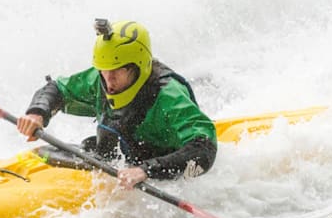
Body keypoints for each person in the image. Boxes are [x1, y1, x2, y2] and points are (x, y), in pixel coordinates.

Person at [16, 19, 217, 189]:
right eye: (104, 69)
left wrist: (146, 171)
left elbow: (204, 147)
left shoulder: (169, 97)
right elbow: (57, 89)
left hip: (162, 171)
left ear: (138, 65)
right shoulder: (101, 79)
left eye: (117, 71)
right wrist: (38, 112)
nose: (108, 80)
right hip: (116, 160)